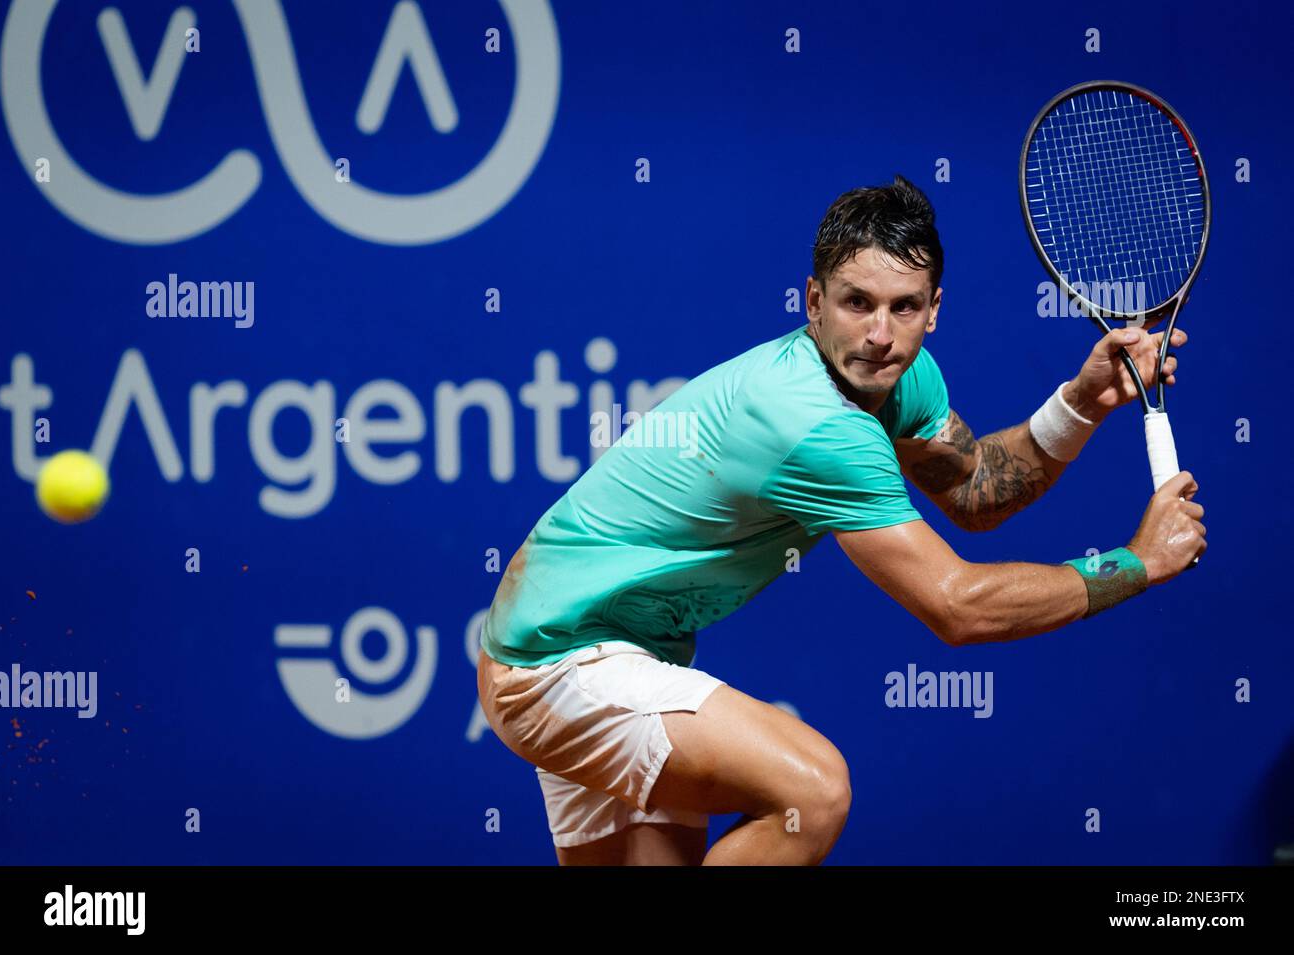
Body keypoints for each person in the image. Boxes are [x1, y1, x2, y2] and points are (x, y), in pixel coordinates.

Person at [476, 175, 1204, 865]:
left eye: (905, 307)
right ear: (814, 301)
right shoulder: (815, 424)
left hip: (621, 654)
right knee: (813, 791)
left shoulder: (899, 378)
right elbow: (958, 608)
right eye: (858, 303)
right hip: (552, 662)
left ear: (935, 308)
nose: (881, 334)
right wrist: (1133, 563)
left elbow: (976, 487)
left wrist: (1082, 400)